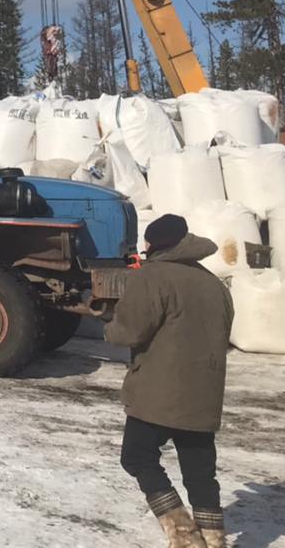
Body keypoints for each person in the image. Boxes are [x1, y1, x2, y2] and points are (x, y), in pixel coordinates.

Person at [105, 214, 235, 548]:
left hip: (159, 392)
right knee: (200, 472)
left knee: (136, 456)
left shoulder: (154, 276)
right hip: (204, 392)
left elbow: (130, 330)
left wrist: (109, 327)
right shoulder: (213, 283)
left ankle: (183, 533)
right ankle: (213, 538)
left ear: (154, 244)